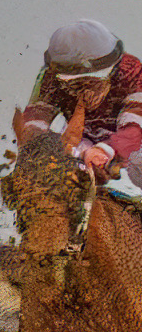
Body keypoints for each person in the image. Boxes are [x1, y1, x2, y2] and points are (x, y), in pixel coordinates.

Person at [18, 22, 142, 203]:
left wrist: (106, 150)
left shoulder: (131, 71)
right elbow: (33, 123)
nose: (83, 94)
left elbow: (134, 129)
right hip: (84, 140)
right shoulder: (50, 79)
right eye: (73, 86)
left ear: (111, 71)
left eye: (91, 84)